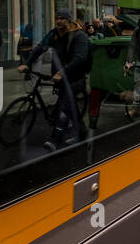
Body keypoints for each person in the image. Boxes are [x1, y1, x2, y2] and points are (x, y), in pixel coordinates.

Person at [19, 8, 90, 150]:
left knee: (64, 108)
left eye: (62, 18)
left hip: (75, 78)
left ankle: (55, 139)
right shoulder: (54, 34)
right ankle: (82, 132)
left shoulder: (79, 36)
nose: (58, 21)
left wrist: (62, 72)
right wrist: (27, 64)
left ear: (69, 21)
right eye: (57, 18)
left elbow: (80, 58)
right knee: (71, 107)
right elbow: (40, 48)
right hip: (59, 78)